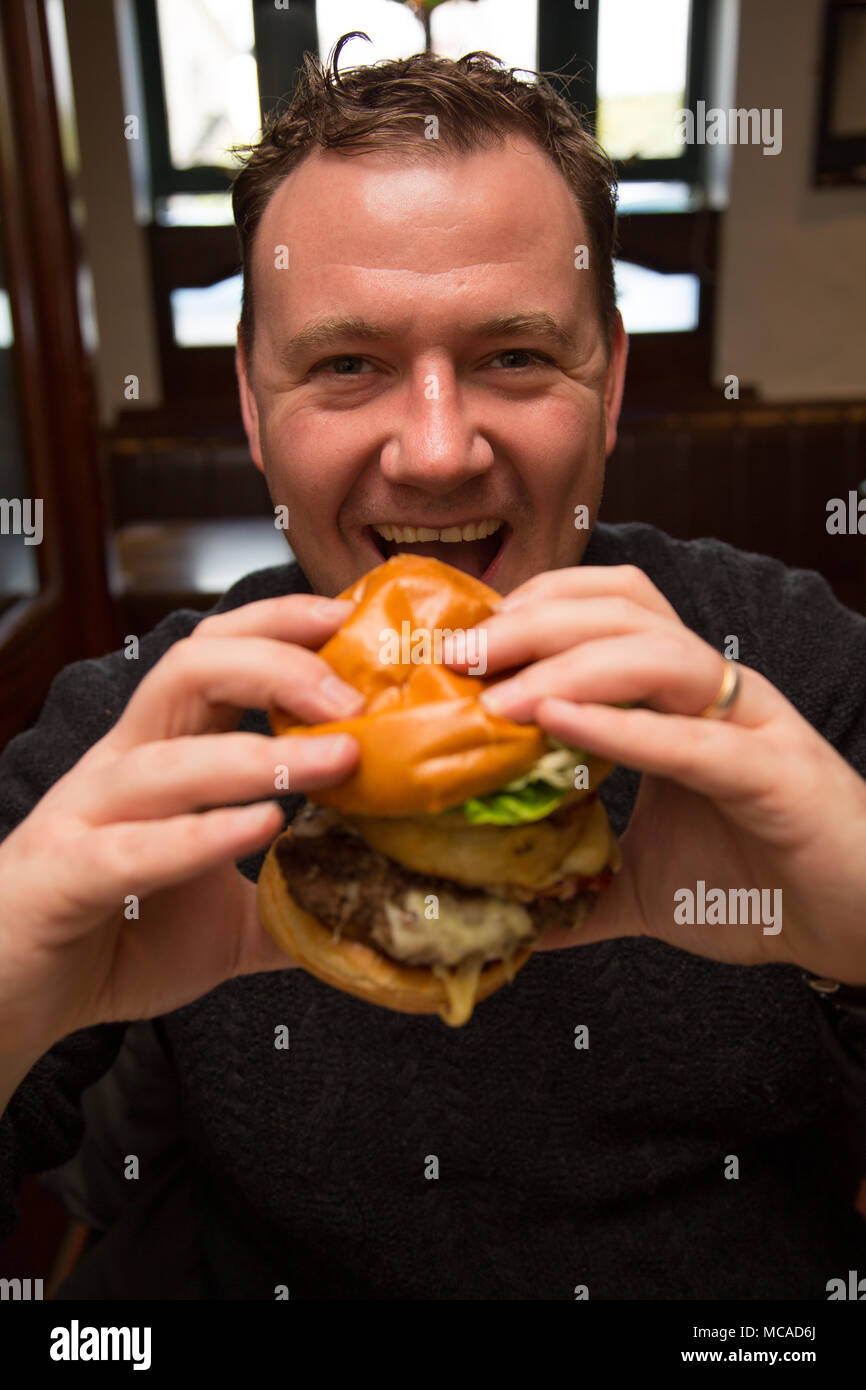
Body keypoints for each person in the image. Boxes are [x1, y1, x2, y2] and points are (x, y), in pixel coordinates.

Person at [1, 35, 865, 1301]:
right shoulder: (145, 734)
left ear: (609, 382)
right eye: (346, 364)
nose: (437, 450)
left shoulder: (784, 665)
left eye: (513, 356)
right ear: (250, 402)